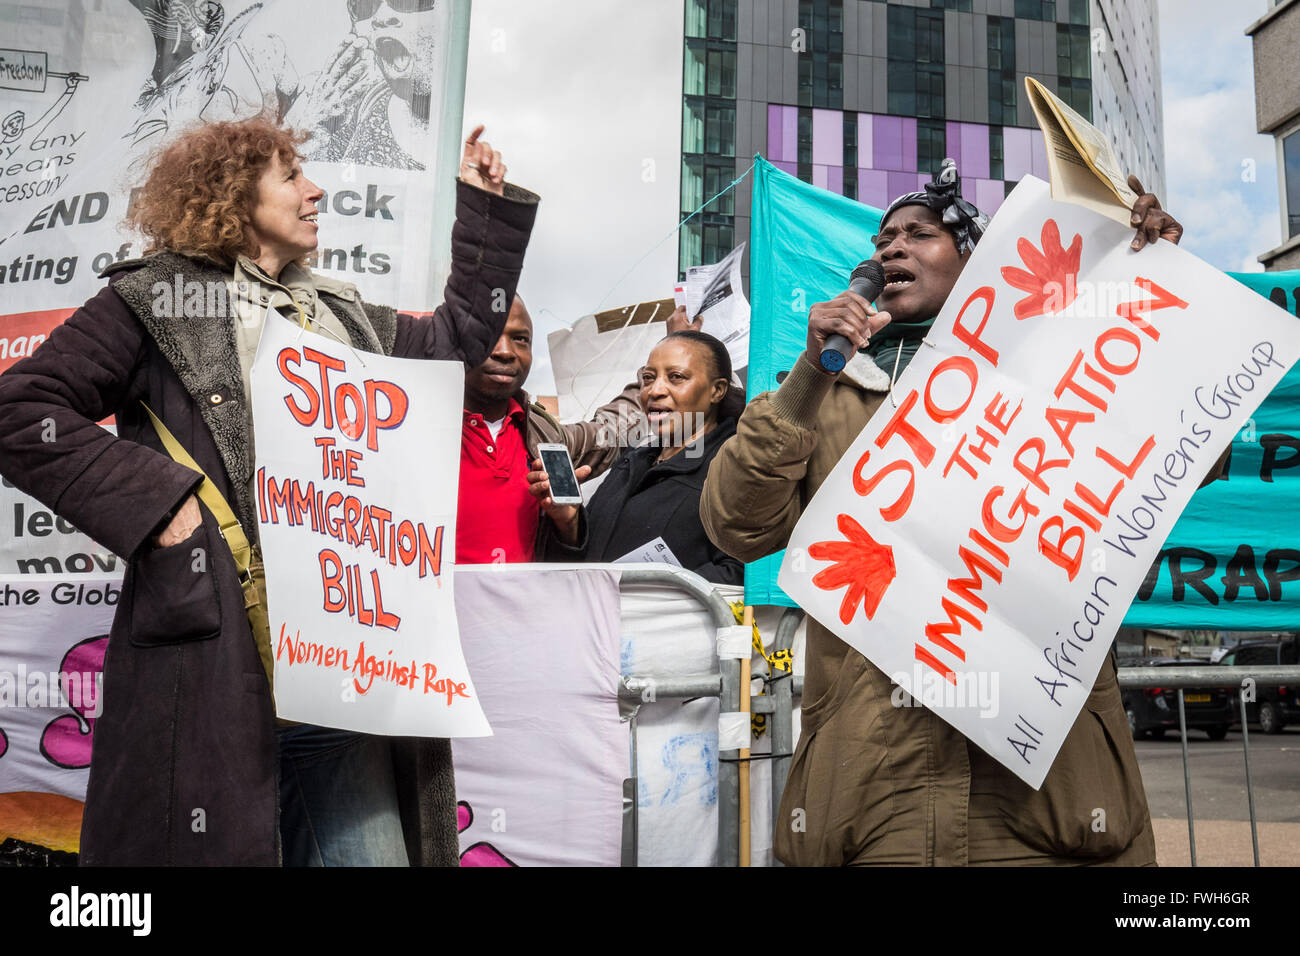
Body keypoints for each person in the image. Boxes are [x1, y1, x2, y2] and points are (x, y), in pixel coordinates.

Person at [0, 116, 538, 866]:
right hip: (222, 667)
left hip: (344, 671)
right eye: (290, 175)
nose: (314, 190)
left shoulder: (346, 315)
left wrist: (485, 212)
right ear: (230, 198)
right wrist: (160, 502)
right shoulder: (153, 301)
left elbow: (457, 341)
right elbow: (20, 412)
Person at [700, 159, 1205, 866]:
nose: (892, 247)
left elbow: (1189, 454)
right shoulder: (827, 392)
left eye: (920, 234)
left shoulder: (1055, 365)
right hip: (877, 793)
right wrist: (812, 371)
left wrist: (1149, 291)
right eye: (883, 239)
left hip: (1047, 791)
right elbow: (734, 522)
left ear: (977, 259)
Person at [537, 327, 746, 585]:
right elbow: (582, 566)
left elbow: (740, 573)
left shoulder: (736, 469)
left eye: (676, 377)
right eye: (648, 378)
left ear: (717, 390)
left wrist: (648, 591)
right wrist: (569, 525)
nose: (654, 390)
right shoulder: (633, 460)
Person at [457, 293, 642, 564]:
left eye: (520, 339)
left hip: (524, 606)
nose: (505, 351)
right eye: (487, 335)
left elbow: (611, 429)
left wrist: (568, 524)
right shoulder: (408, 428)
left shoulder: (548, 438)